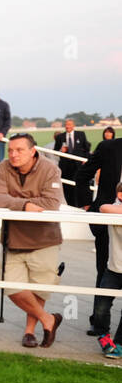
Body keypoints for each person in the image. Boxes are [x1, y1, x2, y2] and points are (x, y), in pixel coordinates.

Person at [0, 133, 64, 348]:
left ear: (33, 151)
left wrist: (14, 201)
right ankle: (48, 319)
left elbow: (51, 202)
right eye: (10, 150)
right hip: (12, 239)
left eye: (19, 150)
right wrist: (25, 205)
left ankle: (29, 332)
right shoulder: (3, 167)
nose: (13, 154)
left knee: (39, 289)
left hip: (44, 239)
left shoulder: (50, 168)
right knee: (9, 285)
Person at [76, 131, 122, 335]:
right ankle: (99, 323)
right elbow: (82, 176)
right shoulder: (108, 147)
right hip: (106, 221)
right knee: (104, 271)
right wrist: (88, 206)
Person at [96, 184, 122, 357]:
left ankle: (119, 344)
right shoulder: (113, 207)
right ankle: (104, 337)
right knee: (101, 307)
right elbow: (102, 208)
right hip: (114, 268)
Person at [53, 118, 90, 204]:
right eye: (66, 124)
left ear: (73, 125)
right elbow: (55, 151)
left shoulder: (81, 135)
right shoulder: (60, 137)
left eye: (69, 124)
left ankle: (78, 204)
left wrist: (84, 160)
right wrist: (60, 151)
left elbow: (86, 149)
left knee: (77, 185)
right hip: (65, 166)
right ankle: (69, 204)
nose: (67, 126)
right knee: (66, 186)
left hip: (77, 165)